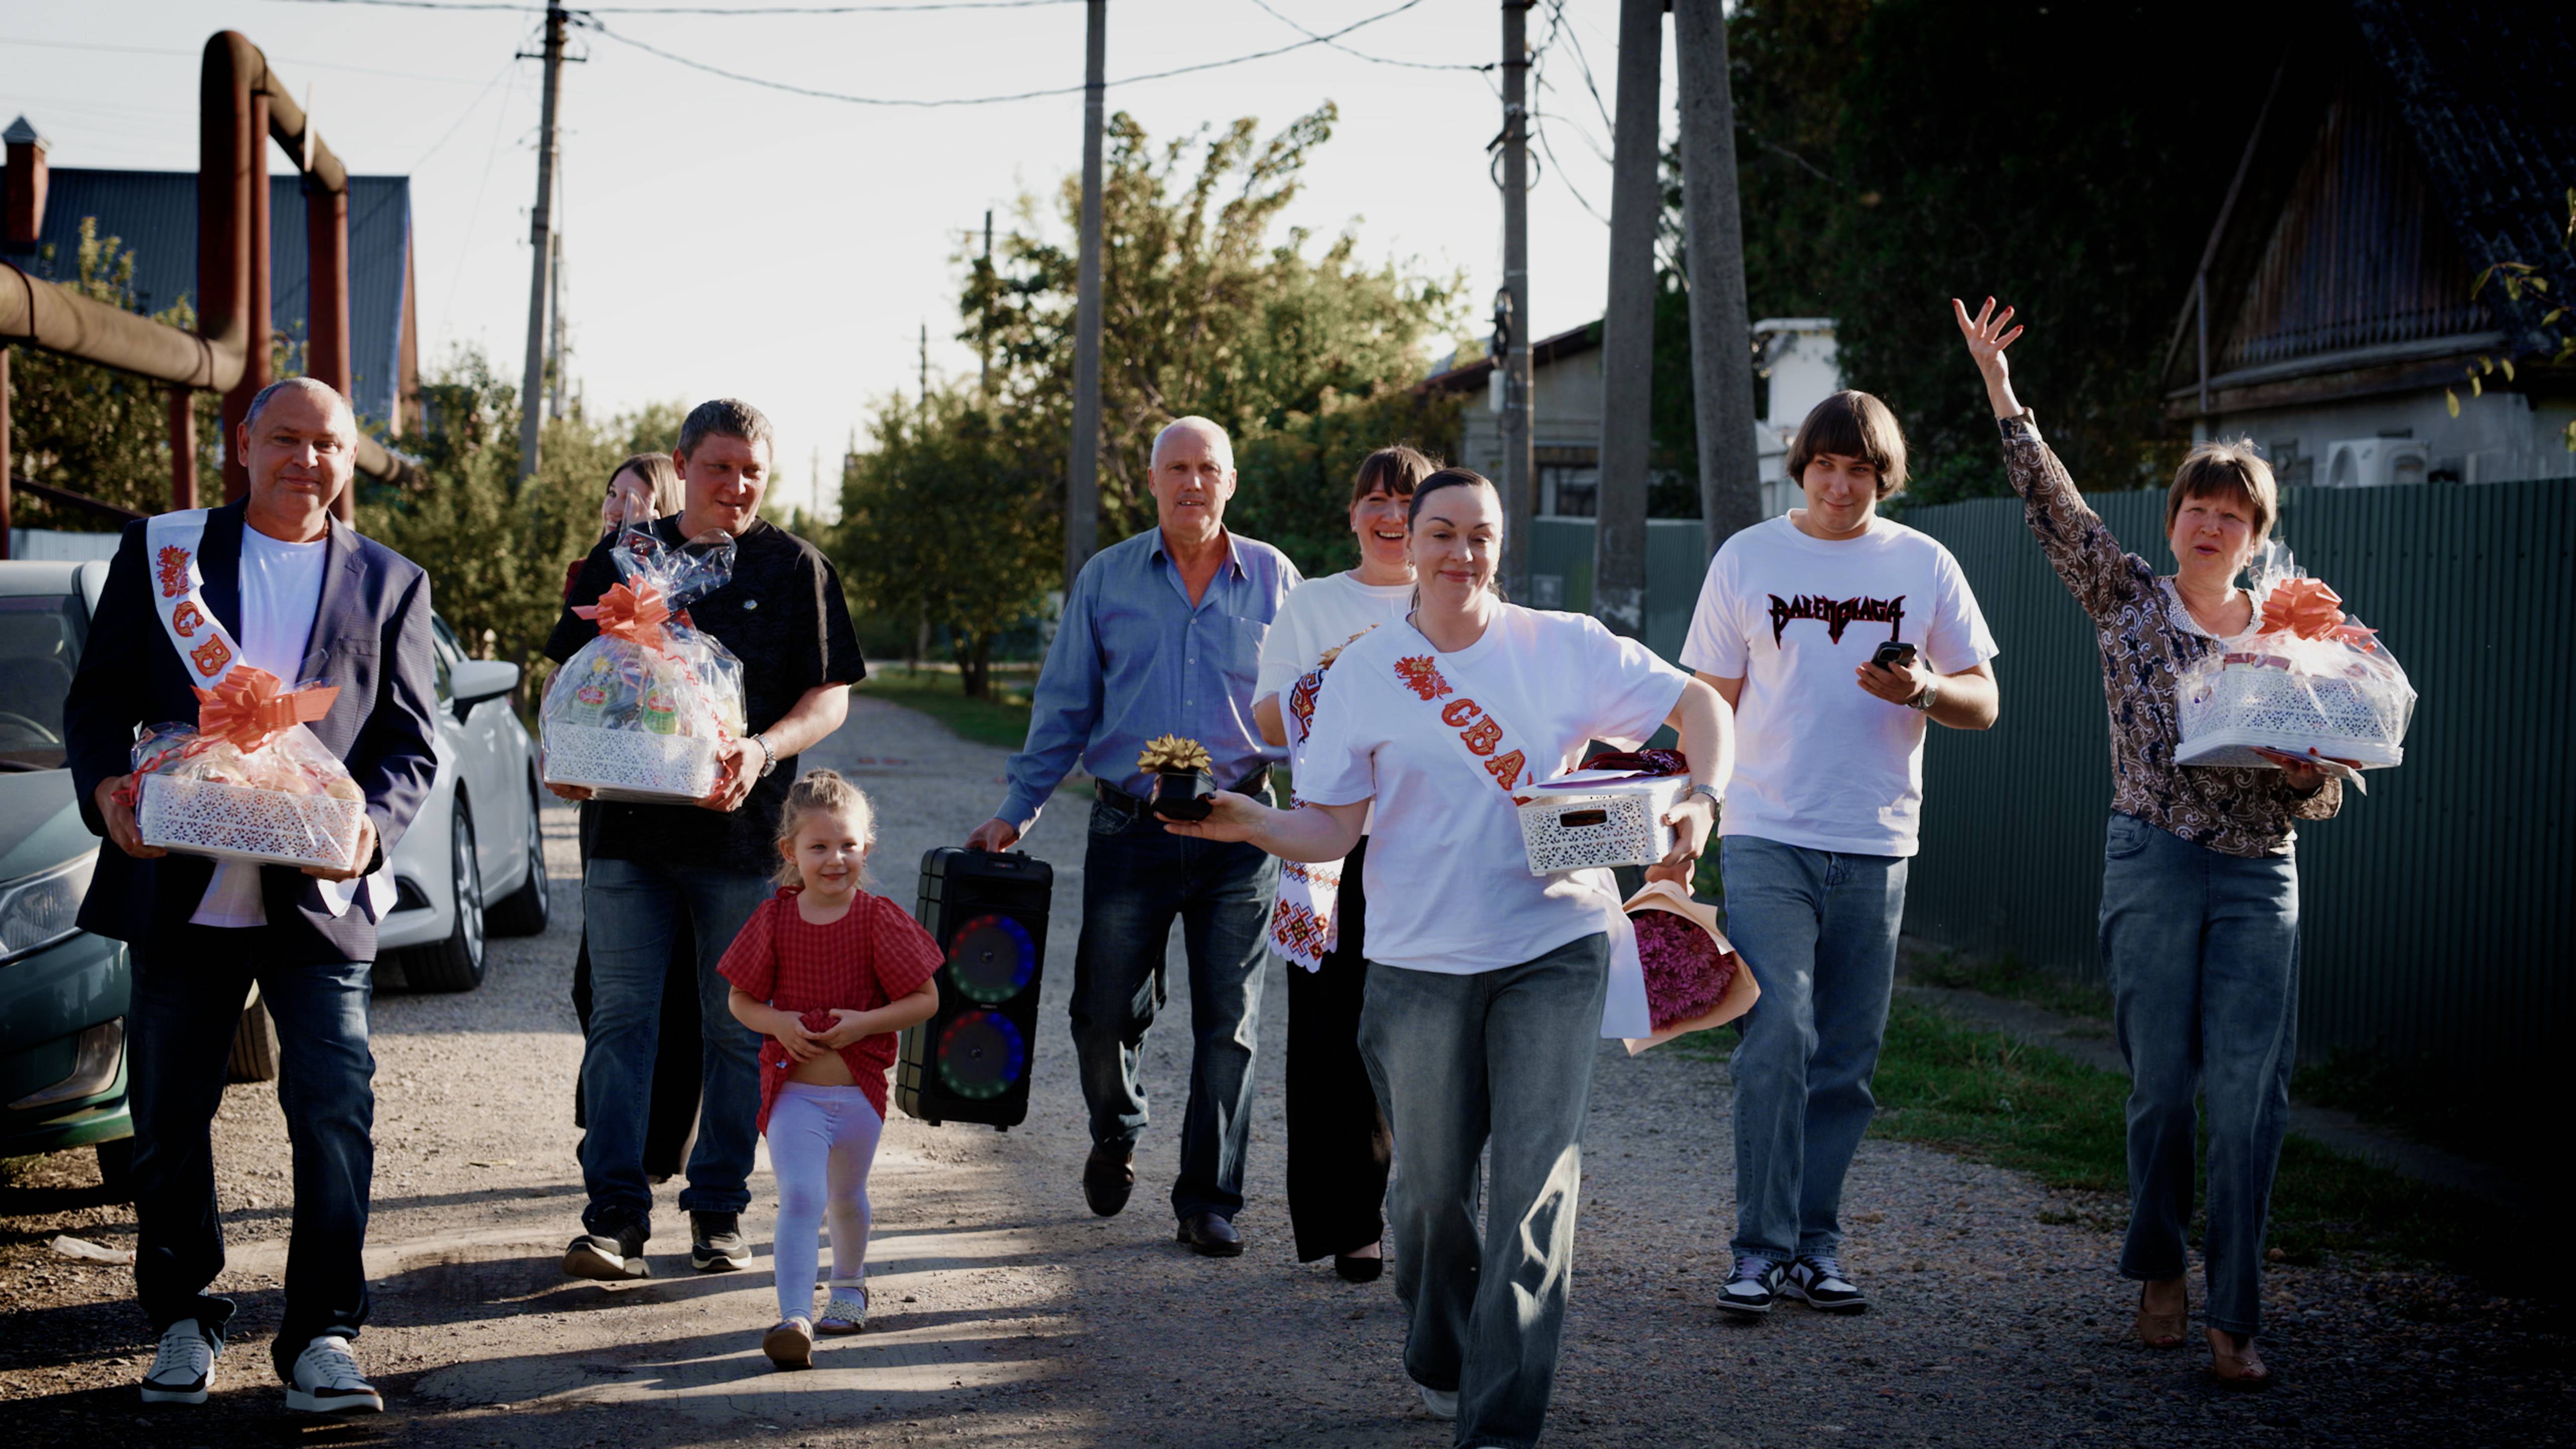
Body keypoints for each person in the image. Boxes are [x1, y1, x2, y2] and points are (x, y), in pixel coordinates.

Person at [1169, 468, 1735, 1447]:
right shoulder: (1363, 672)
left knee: (1534, 1191)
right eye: (1441, 532)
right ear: (1409, 543)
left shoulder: (1561, 648)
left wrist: (1703, 795)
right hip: (1417, 959)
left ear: (1500, 545)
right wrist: (1253, 821)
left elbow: (1701, 705)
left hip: (1552, 946)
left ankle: (1500, 1423)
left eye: (1479, 535)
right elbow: (1333, 827)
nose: (1460, 553)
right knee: (1427, 1195)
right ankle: (1438, 1348)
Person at [1955, 297, 2342, 1387]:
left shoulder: (2294, 634)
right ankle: (2160, 1263)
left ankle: (2236, 1314)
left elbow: (2325, 792)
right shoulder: (2125, 599)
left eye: (2233, 515)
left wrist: (2309, 776)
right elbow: (2053, 506)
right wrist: (2000, 391)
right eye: (2196, 507)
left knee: (2250, 1097)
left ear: (2256, 537)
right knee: (2162, 1089)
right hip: (2153, 863)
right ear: (2172, 518)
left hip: (2259, 878)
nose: (2210, 524)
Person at [64, 376, 439, 1415]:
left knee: (333, 1111)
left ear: (351, 459)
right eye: (286, 439)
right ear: (244, 443)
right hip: (177, 887)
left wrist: (370, 828)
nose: (306, 461)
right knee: (168, 1118)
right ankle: (182, 1317)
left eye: (329, 445)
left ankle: (322, 1334)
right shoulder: (165, 552)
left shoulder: (391, 583)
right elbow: (96, 700)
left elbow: (412, 747)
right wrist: (104, 788)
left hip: (320, 901)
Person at [1681, 388, 2001, 1320]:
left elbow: (1983, 701)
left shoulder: (1923, 563)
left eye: (1859, 469)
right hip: (1766, 829)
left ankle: (1815, 1248)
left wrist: (1926, 688)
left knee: (1847, 1061)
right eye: (1824, 465)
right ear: (1802, 465)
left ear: (1883, 477)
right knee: (1777, 1037)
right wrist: (1693, 807)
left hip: (1875, 838)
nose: (1839, 484)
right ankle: (1758, 1250)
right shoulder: (1748, 556)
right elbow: (1710, 699)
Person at [963, 415, 1300, 1257]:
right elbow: (1065, 707)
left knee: (1235, 1023)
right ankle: (1116, 1128)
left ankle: (1208, 1200)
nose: (1192, 483)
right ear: (1151, 482)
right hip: (1129, 826)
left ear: (1231, 482)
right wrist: (1018, 808)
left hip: (1239, 830)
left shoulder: (1276, 581)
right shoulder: (1107, 579)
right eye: (1176, 468)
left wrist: (1324, 816)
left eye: (1207, 469)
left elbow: (1310, 711)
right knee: (1104, 1011)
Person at [548, 398, 867, 1281]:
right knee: (620, 1023)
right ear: (682, 464)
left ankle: (719, 1212)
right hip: (622, 836)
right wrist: (567, 758)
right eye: (720, 467)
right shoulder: (622, 558)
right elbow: (569, 678)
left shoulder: (794, 565)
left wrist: (764, 749)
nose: (737, 485)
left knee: (737, 1031)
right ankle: (612, 1217)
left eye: (753, 471)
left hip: (741, 843)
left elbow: (831, 693)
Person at [1249, 443, 1433, 1281]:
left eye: (1409, 503)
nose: (1392, 520)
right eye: (1376, 503)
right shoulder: (1313, 604)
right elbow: (1268, 722)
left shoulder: (1461, 599)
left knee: (1428, 1034)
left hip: (1435, 849)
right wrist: (1326, 684)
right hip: (1327, 845)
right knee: (1330, 1041)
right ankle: (1348, 1223)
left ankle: (1431, 1211)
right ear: (1353, 513)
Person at [719, 771, 942, 1369]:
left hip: (860, 1097)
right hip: (795, 1094)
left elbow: (926, 999)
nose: (834, 859)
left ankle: (848, 1287)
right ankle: (793, 1316)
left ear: (866, 847)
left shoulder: (878, 919)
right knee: (799, 1196)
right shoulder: (773, 920)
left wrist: (864, 1024)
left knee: (846, 1197)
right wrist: (779, 1023)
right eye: (818, 847)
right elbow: (740, 1000)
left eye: (847, 845)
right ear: (790, 852)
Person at [565, 452, 700, 1181]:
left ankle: (658, 1144)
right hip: (613, 800)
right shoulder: (600, 567)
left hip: (691, 803)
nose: (620, 508)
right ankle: (611, 1119)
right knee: (598, 984)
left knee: (680, 986)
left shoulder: (703, 571)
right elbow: (565, 656)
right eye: (612, 494)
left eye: (637, 498)